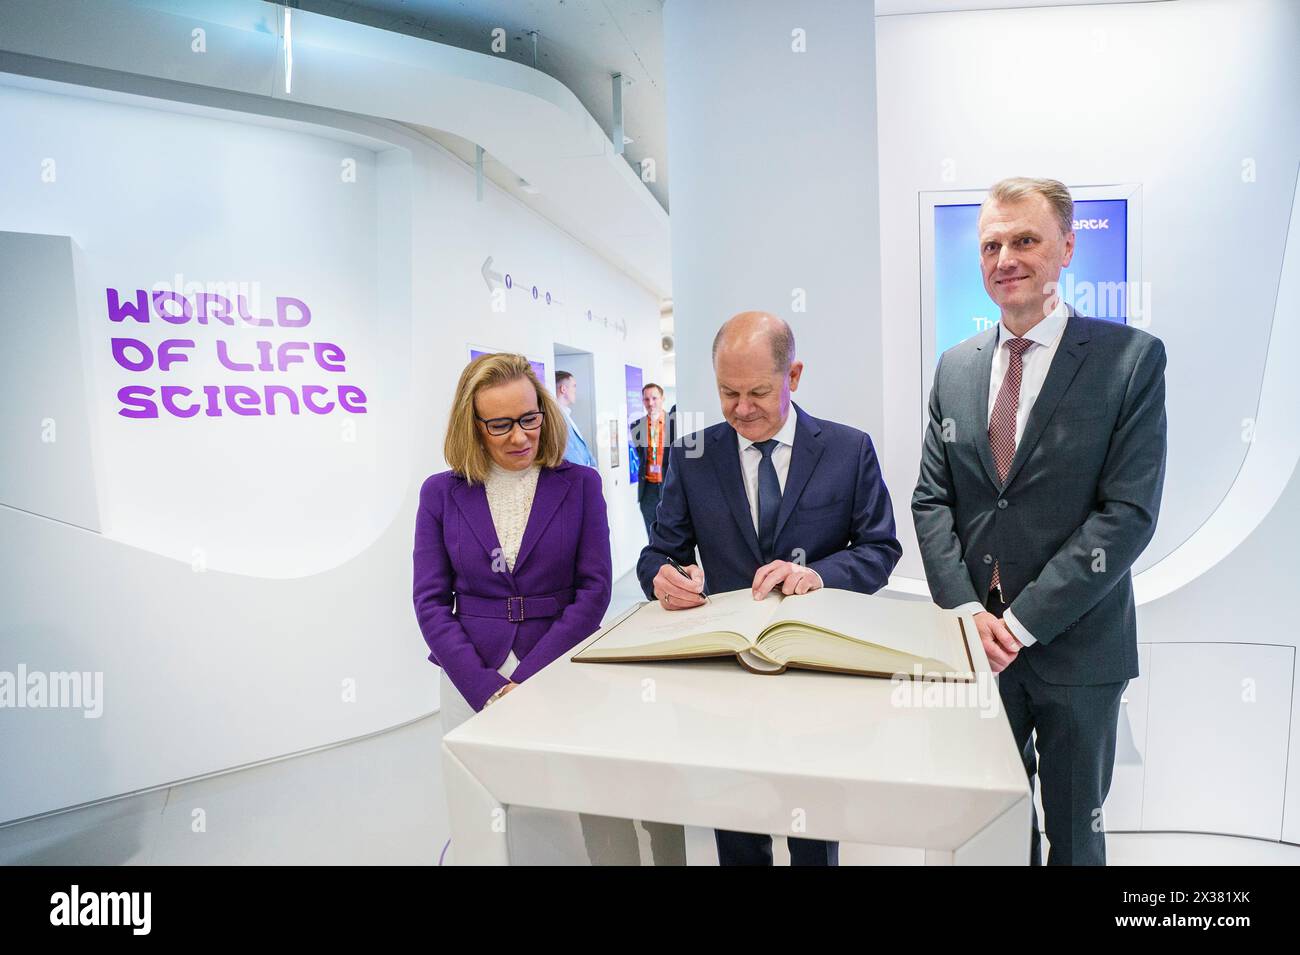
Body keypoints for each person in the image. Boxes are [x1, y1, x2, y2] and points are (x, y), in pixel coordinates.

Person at [912, 177, 1167, 866]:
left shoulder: (1129, 360)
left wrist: (1021, 623)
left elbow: (1128, 515)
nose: (1005, 258)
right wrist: (968, 611)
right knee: (995, 830)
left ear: (1066, 247)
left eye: (1024, 240)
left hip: (1078, 653)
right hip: (979, 647)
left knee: (1075, 838)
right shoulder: (954, 369)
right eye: (991, 244)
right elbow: (931, 500)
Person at [637, 311, 902, 866]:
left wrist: (820, 575)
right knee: (736, 827)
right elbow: (661, 552)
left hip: (815, 672)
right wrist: (660, 575)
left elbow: (880, 550)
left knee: (813, 830)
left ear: (795, 375)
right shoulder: (692, 455)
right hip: (724, 676)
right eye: (727, 393)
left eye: (758, 391)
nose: (741, 409)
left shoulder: (848, 450)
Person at [413, 353, 613, 862]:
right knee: (482, 817)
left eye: (529, 418)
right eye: (500, 425)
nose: (521, 437)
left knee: (553, 811)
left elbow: (593, 592)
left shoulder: (581, 485)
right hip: (469, 675)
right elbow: (431, 601)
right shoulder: (441, 493)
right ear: (473, 426)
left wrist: (529, 681)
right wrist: (486, 687)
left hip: (556, 669)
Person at [630, 383, 674, 537]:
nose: (650, 403)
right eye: (646, 399)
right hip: (647, 489)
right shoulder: (636, 427)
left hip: (670, 486)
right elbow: (642, 457)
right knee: (652, 535)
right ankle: (656, 561)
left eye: (654, 398)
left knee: (672, 534)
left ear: (663, 398)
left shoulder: (674, 423)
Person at [555, 370, 598, 468]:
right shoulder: (557, 418)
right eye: (574, 386)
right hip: (580, 475)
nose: (575, 390)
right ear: (563, 389)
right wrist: (588, 473)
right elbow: (569, 453)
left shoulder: (566, 415)